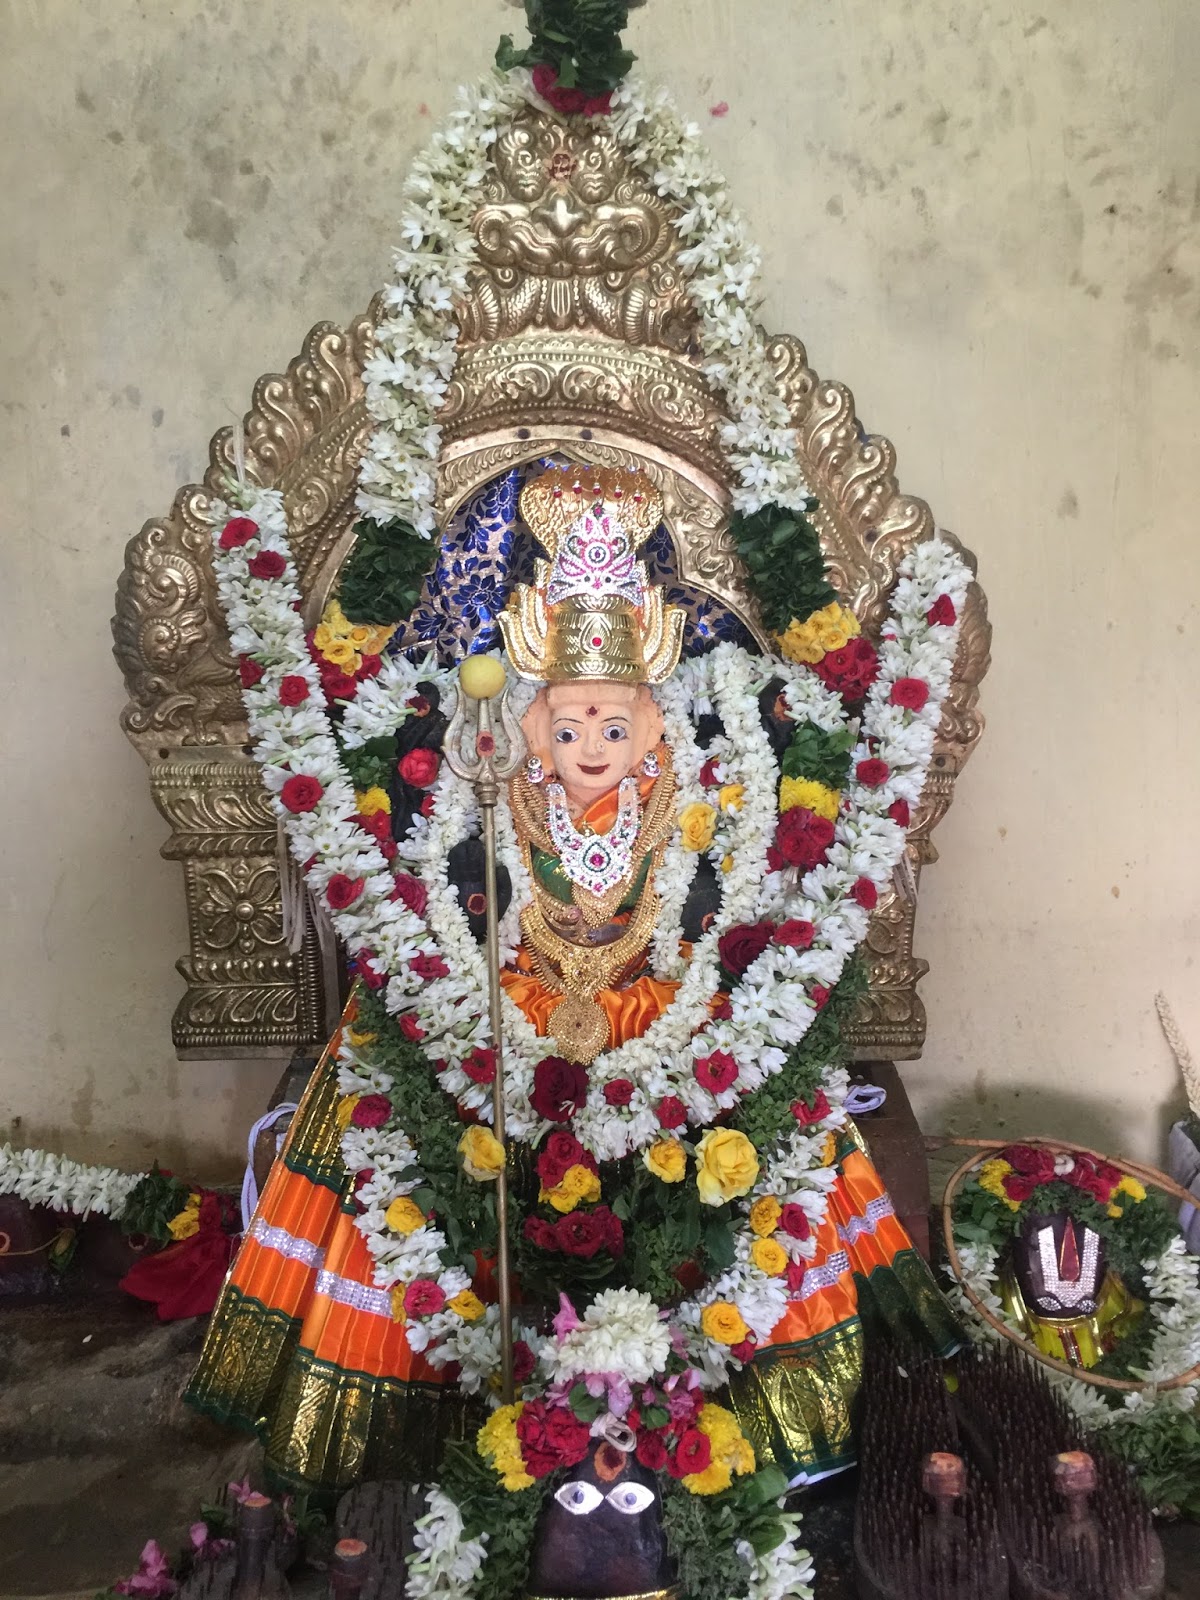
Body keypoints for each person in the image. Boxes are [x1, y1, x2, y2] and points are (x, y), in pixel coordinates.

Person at [186, 462, 960, 1498]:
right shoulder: (484, 780)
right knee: (389, 1051)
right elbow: (462, 905)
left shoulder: (702, 783)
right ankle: (452, 1399)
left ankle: (723, 1392)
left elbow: (710, 915)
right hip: (504, 1020)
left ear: (652, 727)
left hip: (669, 1027)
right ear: (527, 722)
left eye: (612, 726)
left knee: (767, 1095)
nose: (588, 748)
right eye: (566, 725)